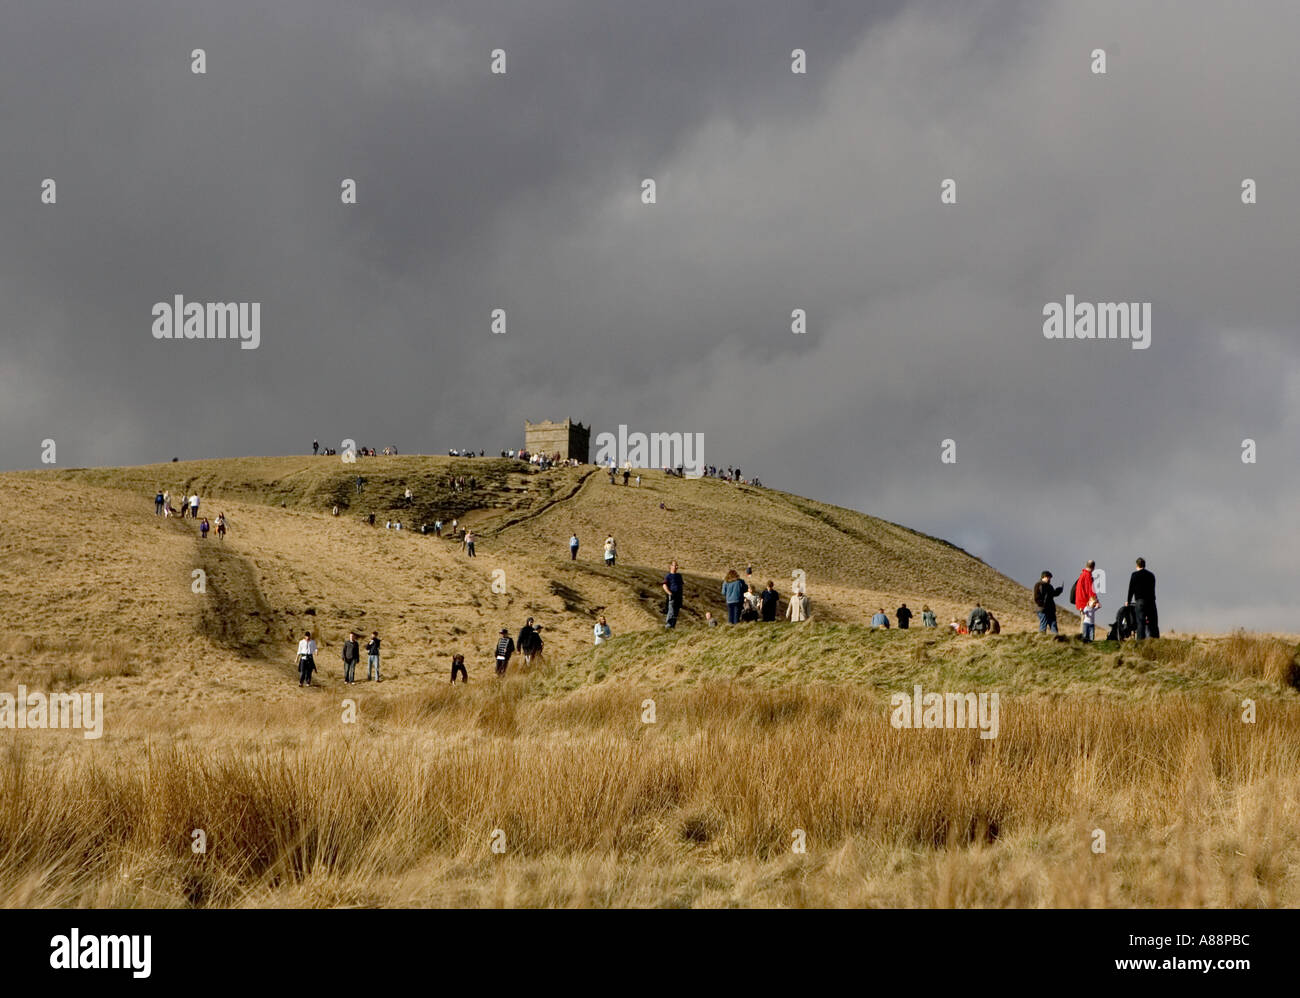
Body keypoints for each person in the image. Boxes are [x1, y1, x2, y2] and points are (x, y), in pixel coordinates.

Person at [1126, 557, 1159, 639]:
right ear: (1144, 565)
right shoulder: (1151, 575)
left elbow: (1131, 589)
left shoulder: (1135, 575)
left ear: (1137, 565)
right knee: (1153, 622)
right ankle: (1154, 640)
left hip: (1140, 601)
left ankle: (1140, 642)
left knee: (1140, 622)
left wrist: (1128, 601)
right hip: (1151, 601)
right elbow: (1153, 588)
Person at [663, 560, 684, 629]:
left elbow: (681, 586)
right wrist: (670, 593)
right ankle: (668, 625)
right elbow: (664, 586)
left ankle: (673, 626)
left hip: (678, 596)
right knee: (671, 611)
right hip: (672, 596)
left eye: (677, 565)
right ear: (670, 566)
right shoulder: (668, 576)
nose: (676, 567)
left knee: (676, 612)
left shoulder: (679, 576)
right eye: (675, 565)